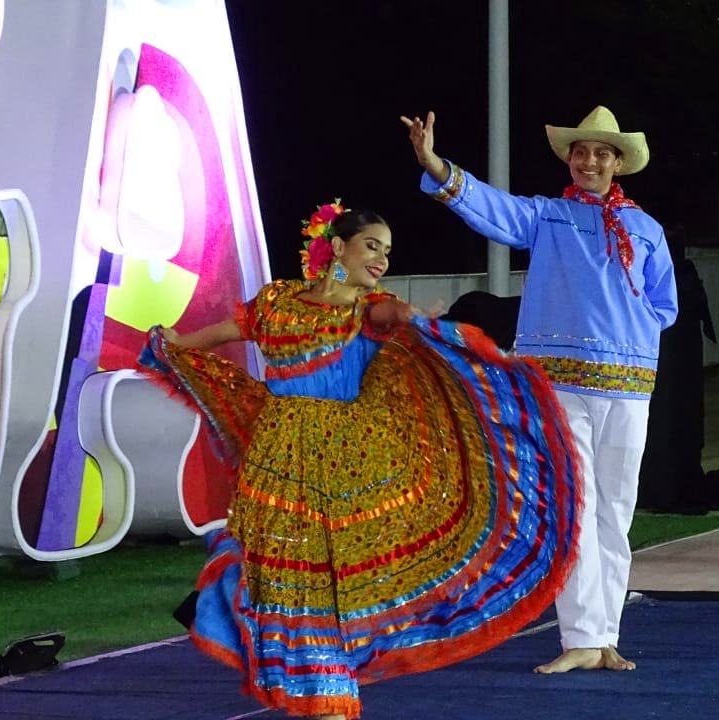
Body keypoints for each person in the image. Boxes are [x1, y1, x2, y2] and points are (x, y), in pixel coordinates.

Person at [140, 201, 582, 719]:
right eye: (372, 246)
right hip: (277, 462)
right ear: (337, 247)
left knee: (333, 576)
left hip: (346, 466)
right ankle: (309, 682)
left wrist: (418, 319)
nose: (381, 259)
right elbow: (228, 332)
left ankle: (330, 689)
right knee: (284, 571)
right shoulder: (278, 303)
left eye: (388, 252)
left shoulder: (366, 310)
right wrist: (178, 343)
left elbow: (390, 314)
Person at [402, 106, 679, 673]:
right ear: (571, 160)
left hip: (629, 386)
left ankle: (606, 636)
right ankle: (580, 636)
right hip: (559, 384)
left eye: (601, 152)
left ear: (618, 162)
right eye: (581, 151)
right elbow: (492, 208)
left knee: (616, 511)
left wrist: (627, 326)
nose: (589, 160)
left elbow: (665, 305)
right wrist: (434, 163)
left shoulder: (647, 229)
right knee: (575, 508)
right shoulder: (548, 217)